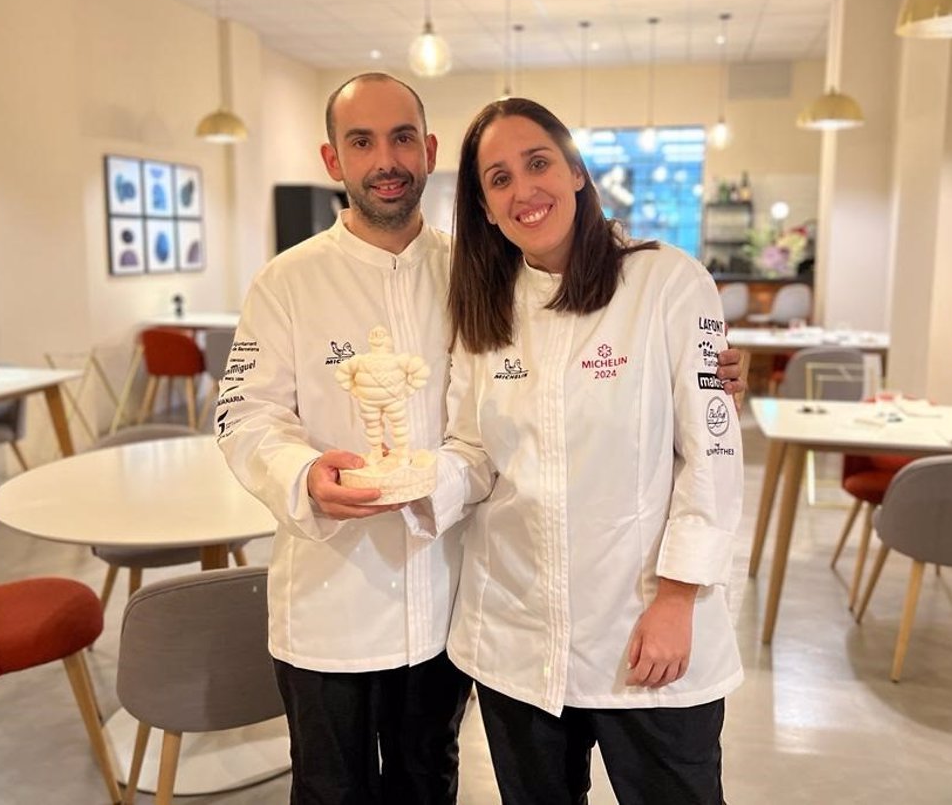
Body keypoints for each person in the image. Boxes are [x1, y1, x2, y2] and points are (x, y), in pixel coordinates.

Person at [217, 73, 747, 805]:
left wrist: (710, 378)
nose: (387, 158)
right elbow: (247, 415)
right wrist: (306, 474)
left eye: (403, 137)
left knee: (429, 781)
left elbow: (702, 449)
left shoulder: (511, 276)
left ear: (429, 151)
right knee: (329, 790)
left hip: (459, 603)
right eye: (362, 141)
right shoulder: (295, 283)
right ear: (333, 160)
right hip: (357, 605)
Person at [416, 96, 745, 805]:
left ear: (575, 172)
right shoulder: (485, 304)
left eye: (537, 163)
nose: (523, 190)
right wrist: (411, 485)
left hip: (643, 628)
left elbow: (713, 457)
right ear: (484, 205)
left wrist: (679, 597)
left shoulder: (667, 282)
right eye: (498, 178)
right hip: (516, 637)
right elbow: (472, 452)